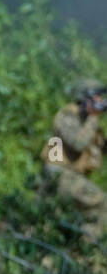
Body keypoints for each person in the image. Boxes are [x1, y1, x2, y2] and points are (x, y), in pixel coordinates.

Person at [41, 76, 106, 242]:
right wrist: (94, 117)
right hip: (60, 175)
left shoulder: (88, 122)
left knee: (89, 214)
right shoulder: (67, 116)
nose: (100, 100)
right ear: (83, 98)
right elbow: (78, 143)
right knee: (102, 203)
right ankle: (87, 247)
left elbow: (101, 149)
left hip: (72, 177)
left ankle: (78, 246)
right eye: (95, 97)